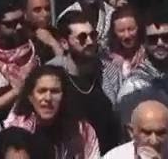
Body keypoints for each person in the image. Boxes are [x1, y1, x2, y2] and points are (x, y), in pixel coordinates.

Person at [50, 10, 123, 148]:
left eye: (93, 35)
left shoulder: (109, 72)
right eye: (82, 37)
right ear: (65, 43)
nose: (90, 42)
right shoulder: (52, 74)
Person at [5, 65, 100, 159]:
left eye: (55, 91)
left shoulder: (82, 130)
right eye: (42, 91)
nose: (48, 98)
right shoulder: (16, 131)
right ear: (30, 97)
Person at [0, 0, 40, 113]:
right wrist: (18, 90)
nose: (18, 27)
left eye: (21, 21)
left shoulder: (38, 44)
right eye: (10, 24)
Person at [102, 100, 168, 158]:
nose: (154, 141)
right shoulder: (114, 156)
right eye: (146, 133)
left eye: (161, 133)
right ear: (131, 131)